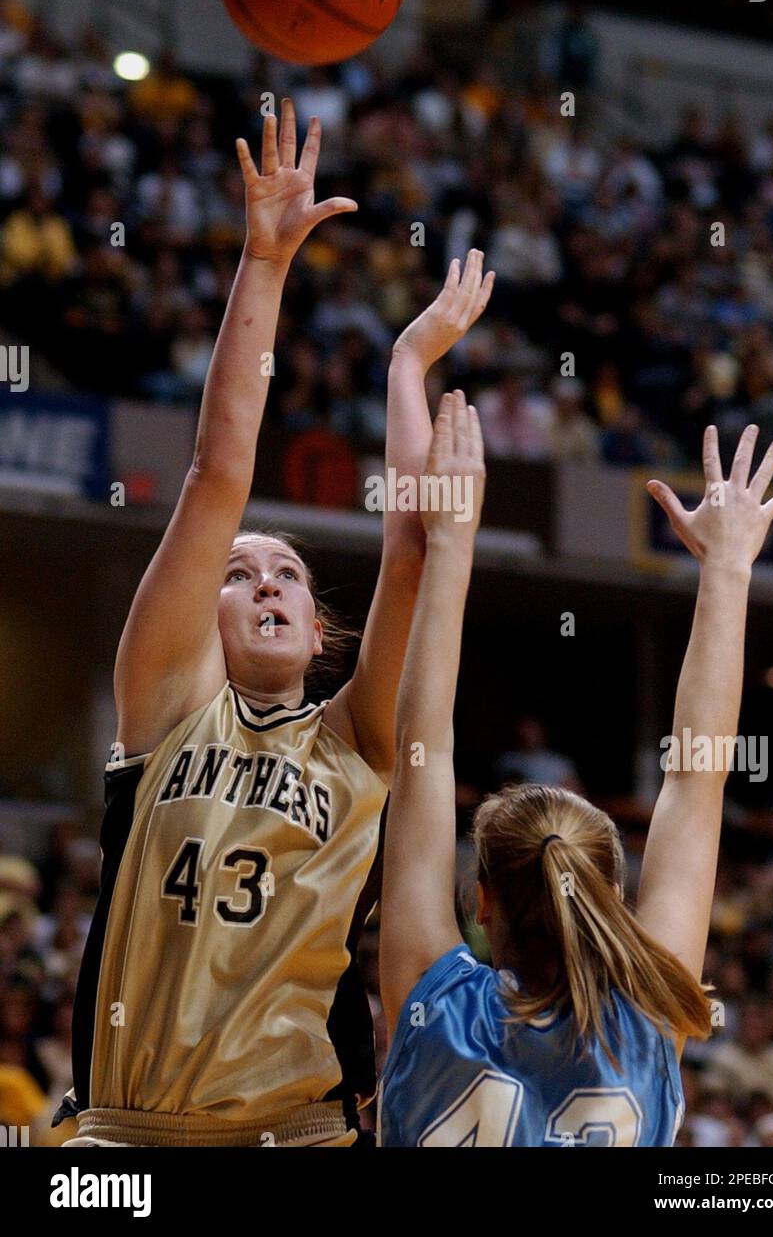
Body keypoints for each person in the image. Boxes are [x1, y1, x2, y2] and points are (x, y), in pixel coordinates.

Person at [55, 101, 495, 1148]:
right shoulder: (163, 708)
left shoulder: (357, 743)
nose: (262, 582)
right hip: (121, 1139)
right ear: (198, 613)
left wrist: (404, 367)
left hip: (299, 1134)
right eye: (240, 570)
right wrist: (264, 261)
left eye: (287, 573)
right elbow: (215, 476)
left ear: (315, 630)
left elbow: (413, 551)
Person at [378, 420, 773, 1146]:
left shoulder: (431, 1000)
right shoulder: (646, 1019)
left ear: (480, 902)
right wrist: (728, 567)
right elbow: (696, 778)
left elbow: (422, 751)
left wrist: (448, 543)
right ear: (611, 898)